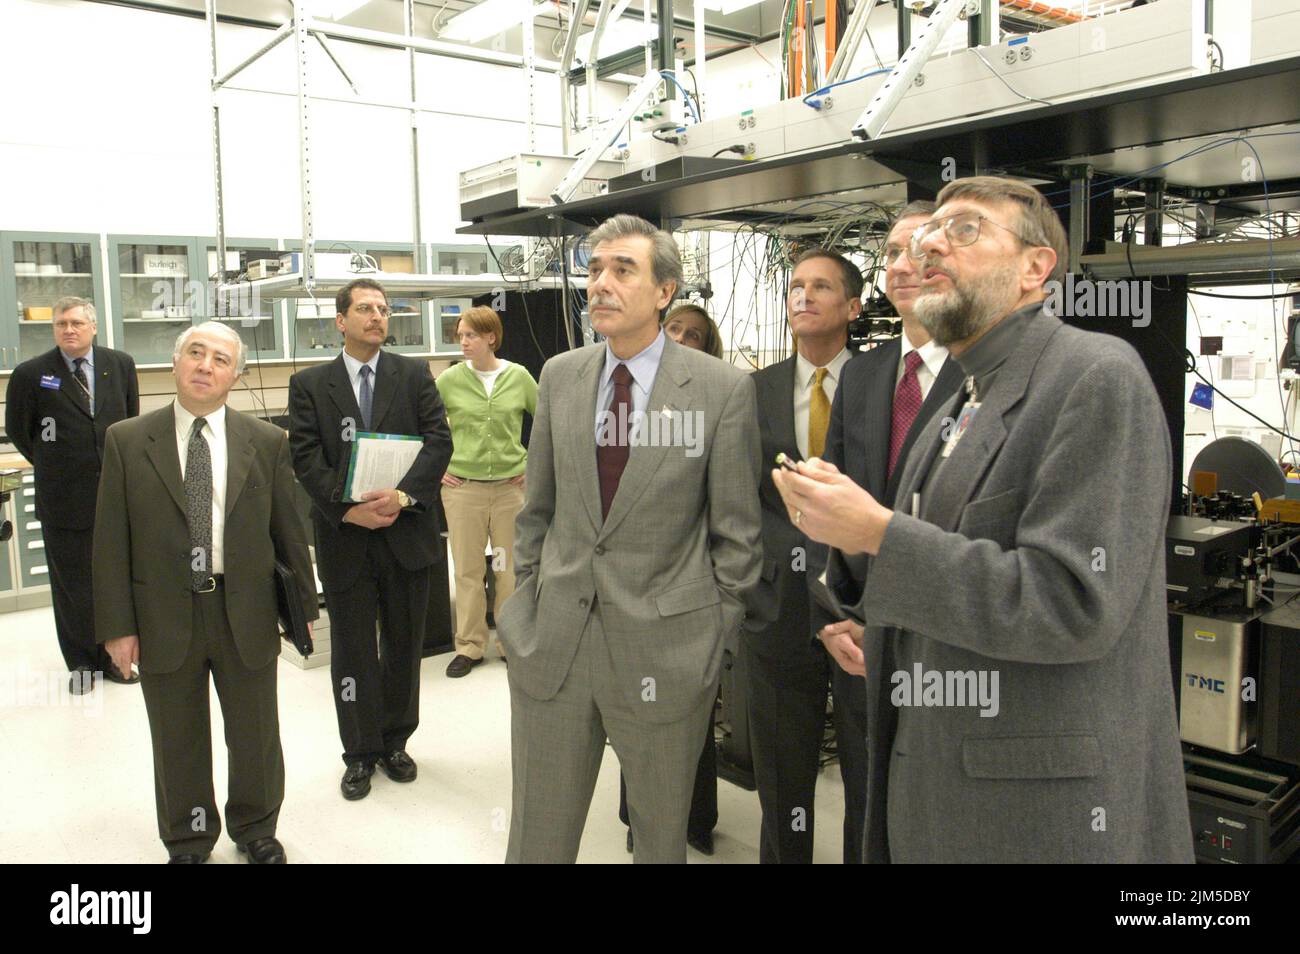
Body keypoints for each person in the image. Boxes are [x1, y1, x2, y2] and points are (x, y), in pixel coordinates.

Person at [774, 175, 1193, 863]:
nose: (931, 246)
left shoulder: (1094, 376)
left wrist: (874, 532)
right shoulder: (963, 397)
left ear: (1036, 268)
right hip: (937, 789)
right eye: (928, 233)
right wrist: (856, 574)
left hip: (1033, 814)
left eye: (964, 229)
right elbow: (931, 562)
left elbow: (1071, 602)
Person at [497, 213, 761, 864]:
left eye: (623, 269)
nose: (601, 284)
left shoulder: (721, 392)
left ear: (665, 290)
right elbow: (538, 510)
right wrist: (524, 606)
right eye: (593, 269)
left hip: (665, 654)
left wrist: (705, 646)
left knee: (660, 838)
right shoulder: (560, 376)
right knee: (538, 836)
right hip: (553, 645)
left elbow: (737, 538)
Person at [93, 322, 317, 863]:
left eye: (220, 359)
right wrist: (118, 628)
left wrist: (304, 611)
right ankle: (189, 837)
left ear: (235, 377)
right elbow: (109, 541)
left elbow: (288, 532)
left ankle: (256, 827)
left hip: (246, 609)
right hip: (163, 612)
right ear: (175, 363)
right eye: (196, 353)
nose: (205, 366)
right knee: (177, 735)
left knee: (255, 731)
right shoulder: (127, 440)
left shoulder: (265, 442)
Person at [814, 202, 963, 860]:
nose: (903, 266)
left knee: (939, 811)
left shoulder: (984, 373)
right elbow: (838, 505)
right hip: (862, 640)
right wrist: (839, 614)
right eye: (893, 252)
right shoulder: (865, 373)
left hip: (950, 640)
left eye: (923, 251)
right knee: (865, 797)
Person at [288, 279, 452, 802]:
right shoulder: (311, 383)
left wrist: (402, 498)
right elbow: (306, 456)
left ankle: (396, 741)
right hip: (346, 539)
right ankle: (358, 752)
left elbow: (438, 441)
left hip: (406, 533)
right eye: (365, 309)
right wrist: (348, 509)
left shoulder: (413, 374)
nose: (377, 317)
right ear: (340, 320)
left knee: (405, 645)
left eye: (383, 309)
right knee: (354, 652)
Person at [741, 246, 869, 863]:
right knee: (782, 773)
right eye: (795, 286)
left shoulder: (881, 383)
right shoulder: (755, 389)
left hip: (858, 605)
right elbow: (738, 495)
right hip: (779, 603)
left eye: (821, 286)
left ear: (853, 304)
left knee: (866, 772)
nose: (803, 296)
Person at [616, 302, 726, 856]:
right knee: (631, 711)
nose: (681, 338)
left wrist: (719, 609)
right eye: (674, 328)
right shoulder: (617, 394)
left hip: (685, 589)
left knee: (686, 718)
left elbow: (728, 512)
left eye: (695, 335)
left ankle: (693, 819)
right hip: (621, 590)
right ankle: (638, 818)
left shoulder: (717, 399)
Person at [5, 297, 138, 694]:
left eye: (77, 322)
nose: (69, 329)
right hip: (64, 498)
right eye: (62, 323)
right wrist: (57, 464)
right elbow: (20, 430)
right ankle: (82, 662)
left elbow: (128, 424)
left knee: (115, 581)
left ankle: (116, 659)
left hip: (116, 495)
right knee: (73, 586)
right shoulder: (31, 374)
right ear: (54, 329)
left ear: (93, 327)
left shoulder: (120, 365)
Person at [434, 306, 537, 677]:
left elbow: (548, 422)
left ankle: (509, 642)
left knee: (507, 568)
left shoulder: (519, 376)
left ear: (491, 338)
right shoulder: (448, 380)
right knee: (468, 570)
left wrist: (532, 467)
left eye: (471, 336)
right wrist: (439, 468)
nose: (463, 342)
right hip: (464, 490)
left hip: (511, 489)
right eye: (460, 335)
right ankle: (469, 646)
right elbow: (425, 427)